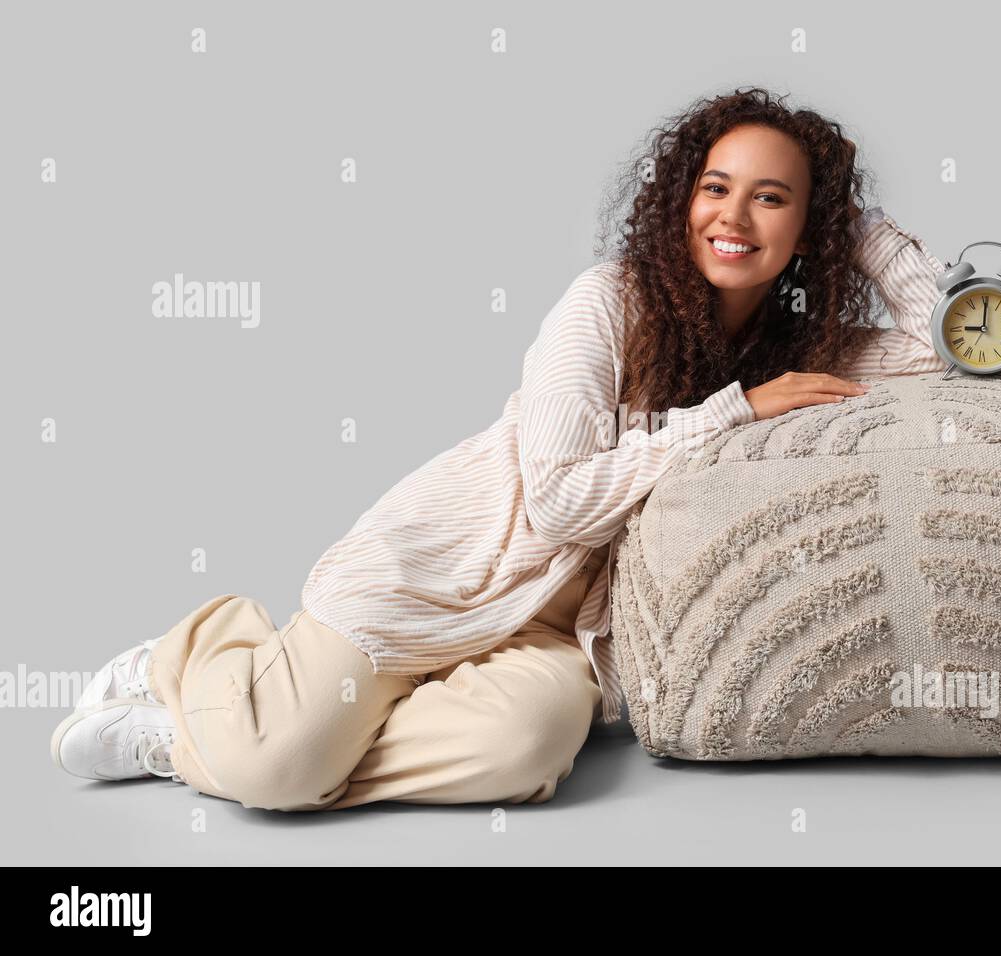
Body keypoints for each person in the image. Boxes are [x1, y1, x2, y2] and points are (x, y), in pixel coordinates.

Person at [49, 87, 949, 810]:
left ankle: (251, 730)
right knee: (275, 776)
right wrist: (728, 416)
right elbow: (560, 499)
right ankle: (198, 680)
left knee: (520, 752)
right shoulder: (608, 300)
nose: (736, 216)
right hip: (438, 570)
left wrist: (853, 224)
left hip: (566, 635)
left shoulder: (798, 347)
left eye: (773, 197)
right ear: (683, 198)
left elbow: (935, 346)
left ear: (805, 227)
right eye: (716, 186)